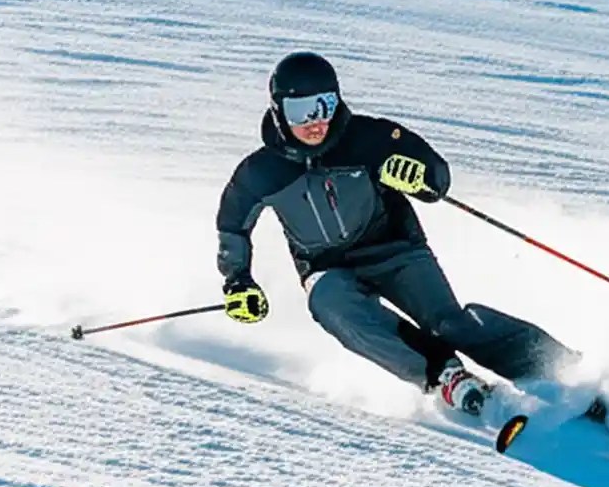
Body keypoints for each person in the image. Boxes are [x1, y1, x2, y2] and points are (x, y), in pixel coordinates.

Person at [215, 52, 578, 416]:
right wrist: (238, 280)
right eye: (301, 111)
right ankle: (444, 376)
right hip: (327, 268)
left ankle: (553, 366)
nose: (316, 121)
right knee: (330, 305)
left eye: (325, 105)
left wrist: (420, 178)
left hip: (395, 249)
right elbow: (233, 224)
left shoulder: (369, 138)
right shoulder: (260, 172)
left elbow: (436, 177)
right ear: (279, 111)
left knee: (447, 324)